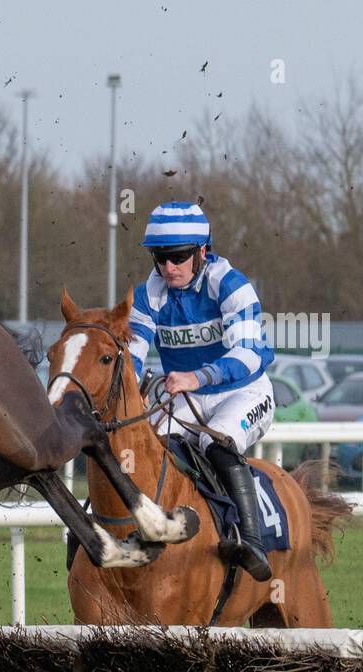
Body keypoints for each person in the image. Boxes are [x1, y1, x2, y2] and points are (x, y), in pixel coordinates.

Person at [129, 201, 275, 581]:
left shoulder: (231, 285)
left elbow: (248, 355)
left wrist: (197, 377)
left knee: (217, 446)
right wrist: (131, 388)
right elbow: (132, 353)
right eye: (159, 258)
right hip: (186, 396)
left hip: (243, 392)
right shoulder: (148, 294)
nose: (167, 268)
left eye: (177, 257)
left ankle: (251, 541)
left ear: (202, 252)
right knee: (149, 448)